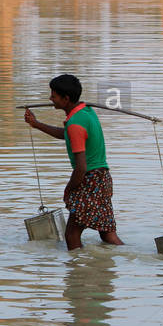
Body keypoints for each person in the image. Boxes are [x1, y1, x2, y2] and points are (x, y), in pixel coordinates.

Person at [24, 73, 123, 251]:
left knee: (71, 235)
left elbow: (81, 167)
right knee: (107, 234)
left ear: (66, 98)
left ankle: (77, 274)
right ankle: (123, 260)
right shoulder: (86, 112)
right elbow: (67, 135)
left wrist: (69, 190)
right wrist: (36, 124)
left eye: (54, 96)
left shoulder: (76, 123)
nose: (50, 99)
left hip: (90, 181)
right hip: (103, 179)